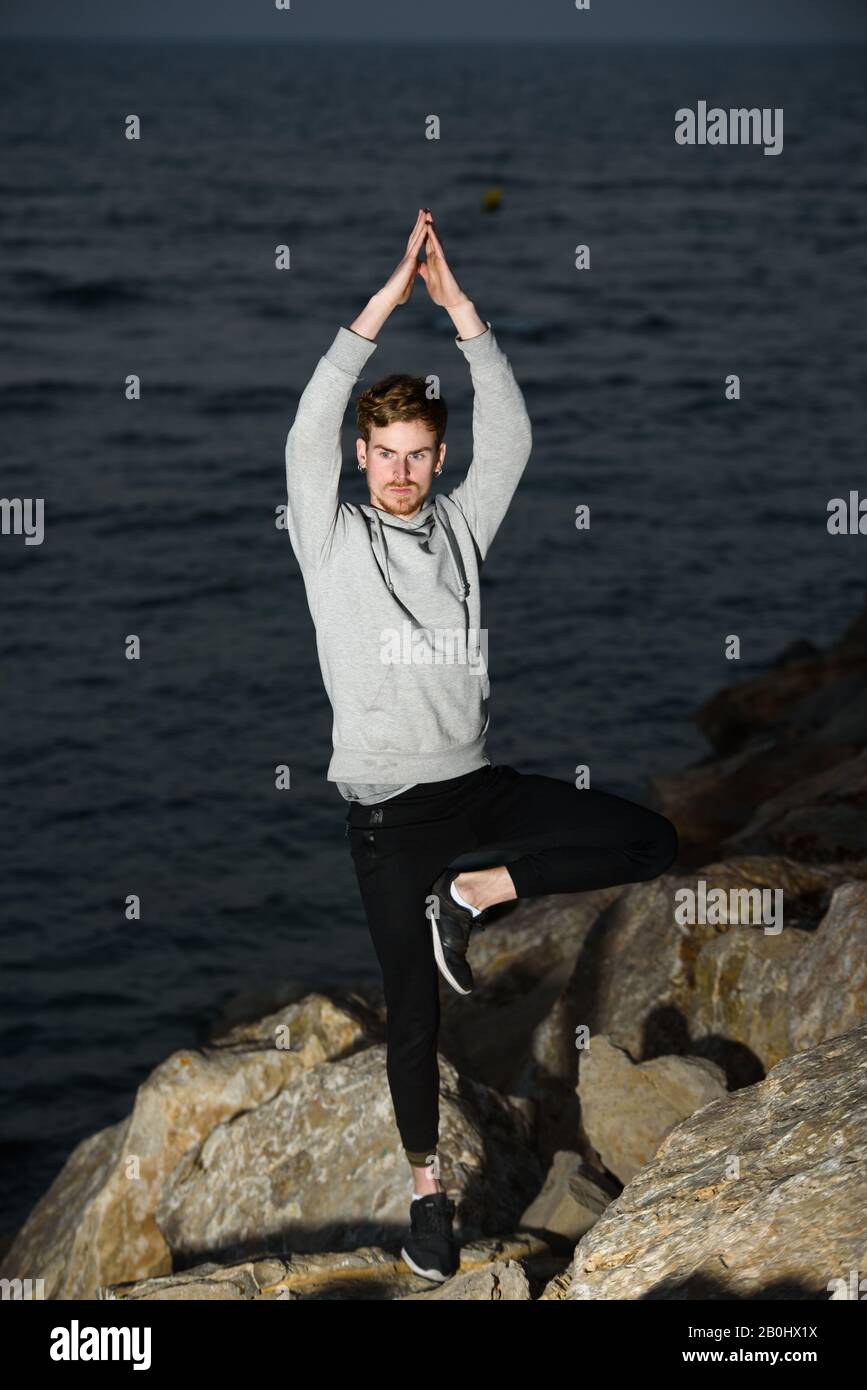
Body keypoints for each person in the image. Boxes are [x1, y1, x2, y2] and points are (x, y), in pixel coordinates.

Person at [284, 208, 678, 1282]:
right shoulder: (330, 538)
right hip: (386, 817)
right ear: (360, 456)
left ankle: (476, 895)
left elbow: (514, 435)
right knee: (412, 1017)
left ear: (437, 454)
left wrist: (460, 311)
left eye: (419, 456)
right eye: (385, 456)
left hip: (478, 791)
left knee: (650, 840)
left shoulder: (461, 522)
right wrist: (379, 307)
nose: (401, 473)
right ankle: (427, 1195)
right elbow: (306, 422)